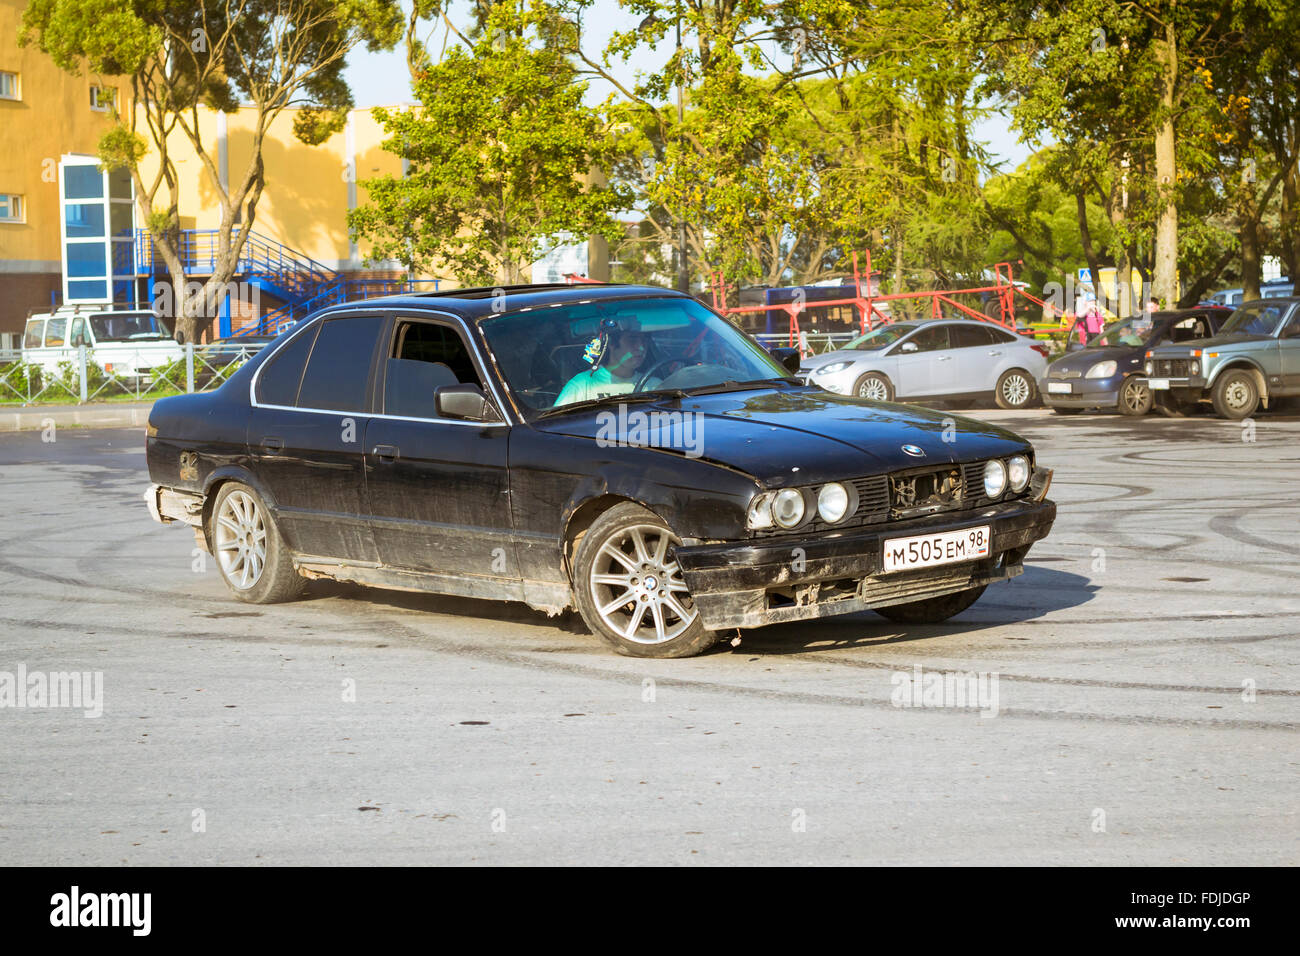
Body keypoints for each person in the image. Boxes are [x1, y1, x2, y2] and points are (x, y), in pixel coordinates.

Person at [553, 327, 660, 406]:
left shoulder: (655, 386)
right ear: (611, 344)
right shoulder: (582, 385)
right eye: (632, 339)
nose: (641, 348)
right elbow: (556, 427)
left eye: (644, 340)